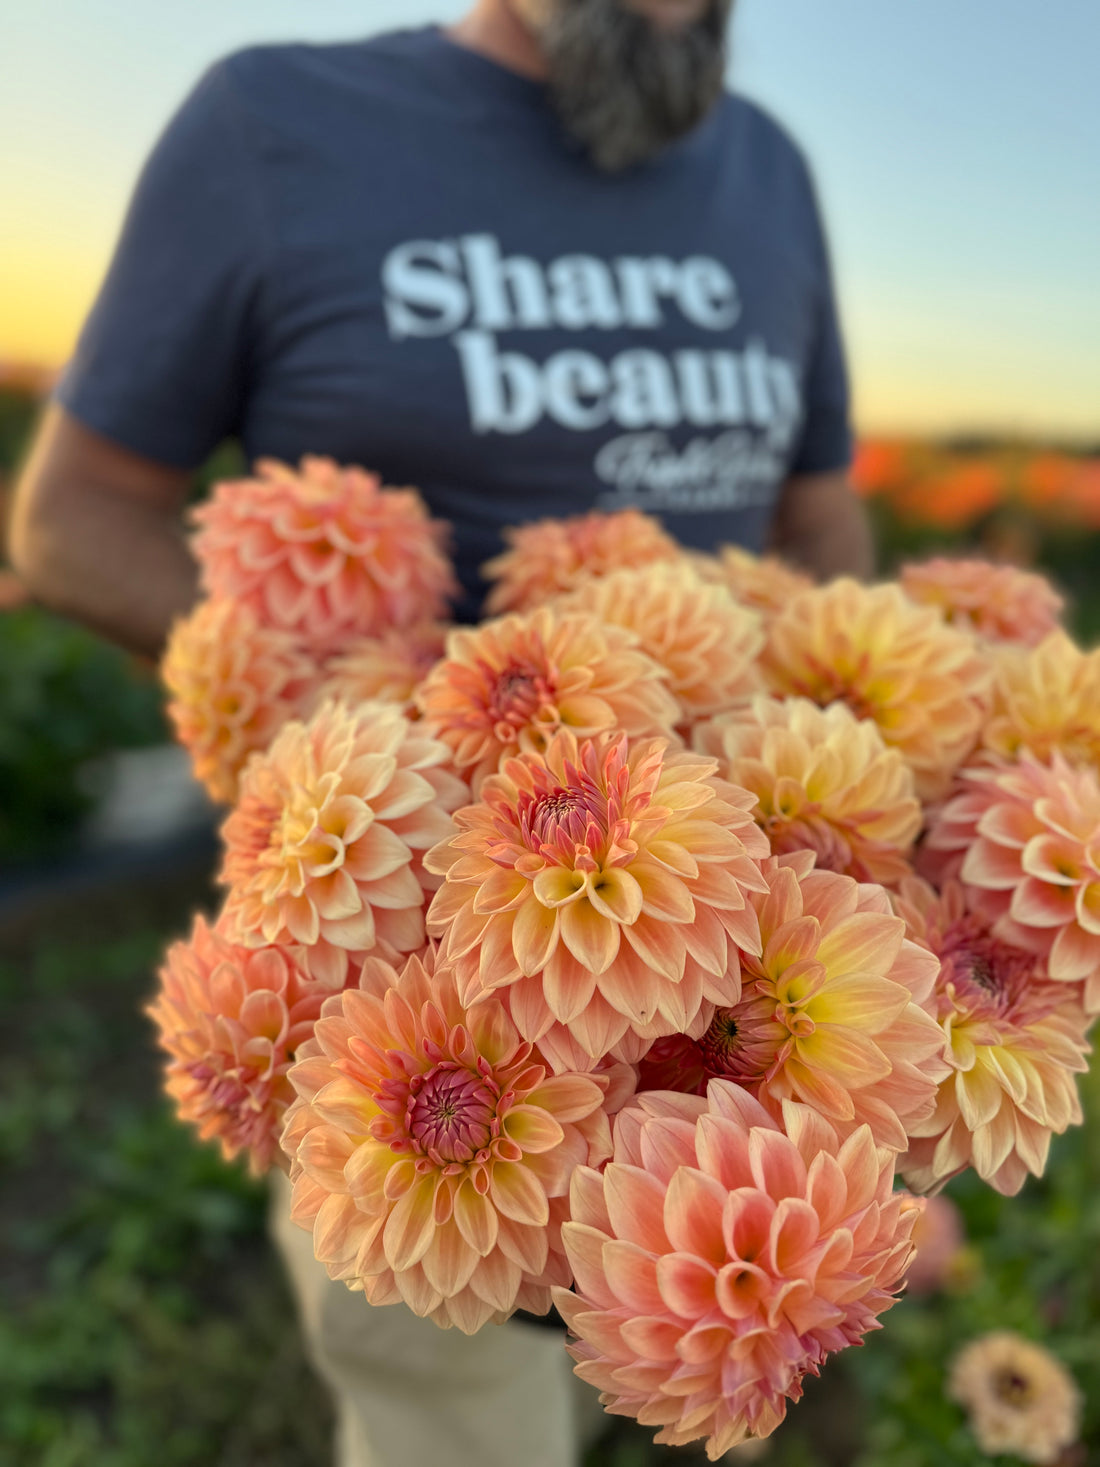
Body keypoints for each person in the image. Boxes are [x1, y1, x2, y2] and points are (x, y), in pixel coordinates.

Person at [9, 1, 873, 1462]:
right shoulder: (272, 124)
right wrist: (345, 715)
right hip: (410, 963)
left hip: (740, 979)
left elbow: (821, 512)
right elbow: (69, 515)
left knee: (699, 1350)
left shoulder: (771, 169)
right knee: (457, 1423)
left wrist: (854, 742)